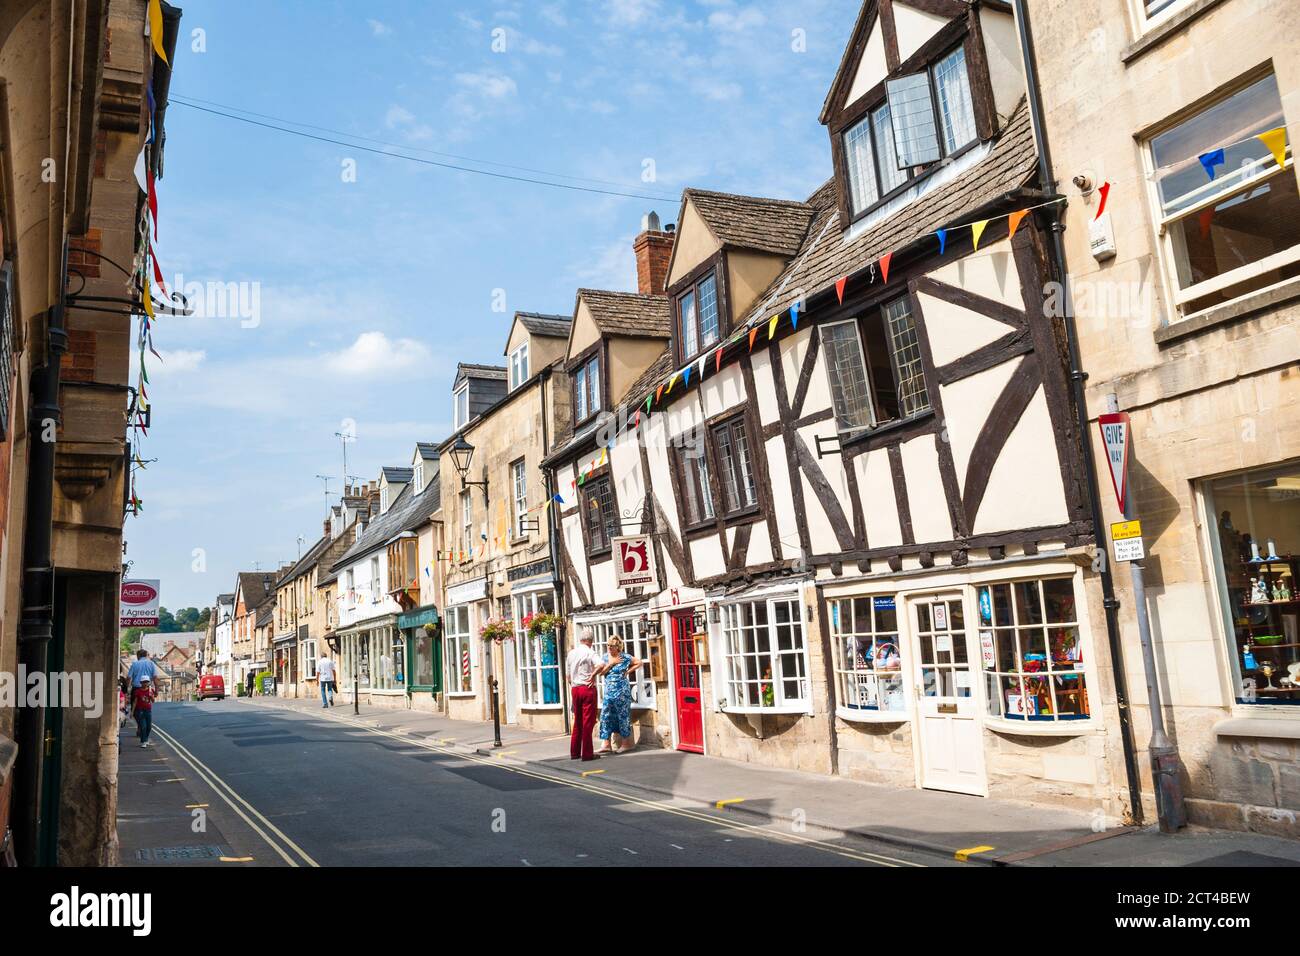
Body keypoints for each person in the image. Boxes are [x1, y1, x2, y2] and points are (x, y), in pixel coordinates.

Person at [594, 635, 644, 755]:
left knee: (623, 716)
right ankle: (606, 745)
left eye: (611, 646)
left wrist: (628, 671)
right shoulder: (605, 658)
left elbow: (639, 662)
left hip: (622, 692)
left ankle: (626, 744)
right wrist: (611, 664)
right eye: (608, 645)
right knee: (606, 716)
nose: (609, 648)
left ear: (618, 647)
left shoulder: (625, 657)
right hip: (608, 693)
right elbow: (601, 673)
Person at [567, 628, 600, 761]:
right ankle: (587, 754)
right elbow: (601, 664)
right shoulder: (590, 652)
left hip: (575, 689)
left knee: (578, 722)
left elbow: (568, 677)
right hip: (587, 688)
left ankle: (574, 753)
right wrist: (593, 675)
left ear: (581, 640)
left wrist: (575, 684)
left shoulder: (571, 653)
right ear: (590, 641)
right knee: (588, 722)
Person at [132, 677, 156, 748]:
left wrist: (151, 696)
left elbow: (153, 701)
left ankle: (146, 739)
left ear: (148, 682)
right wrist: (132, 712)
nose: (145, 683)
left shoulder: (150, 690)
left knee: (149, 727)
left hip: (148, 710)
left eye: (146, 682)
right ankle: (143, 741)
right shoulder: (138, 691)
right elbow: (135, 702)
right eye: (143, 682)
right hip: (140, 711)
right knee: (143, 727)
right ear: (141, 682)